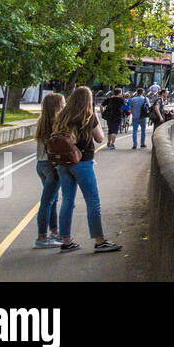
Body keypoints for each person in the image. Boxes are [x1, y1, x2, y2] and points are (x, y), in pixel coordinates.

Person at [53, 86, 121, 253]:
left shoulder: (62, 116)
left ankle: (66, 240)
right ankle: (99, 240)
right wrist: (95, 116)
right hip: (83, 162)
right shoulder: (88, 116)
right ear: (88, 101)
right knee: (93, 201)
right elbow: (99, 138)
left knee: (67, 201)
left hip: (64, 162)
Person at [32, 92, 65, 249]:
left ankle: (54, 231)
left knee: (52, 199)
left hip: (41, 164)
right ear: (58, 106)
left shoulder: (42, 122)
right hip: (52, 165)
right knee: (47, 201)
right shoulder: (56, 124)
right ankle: (42, 236)